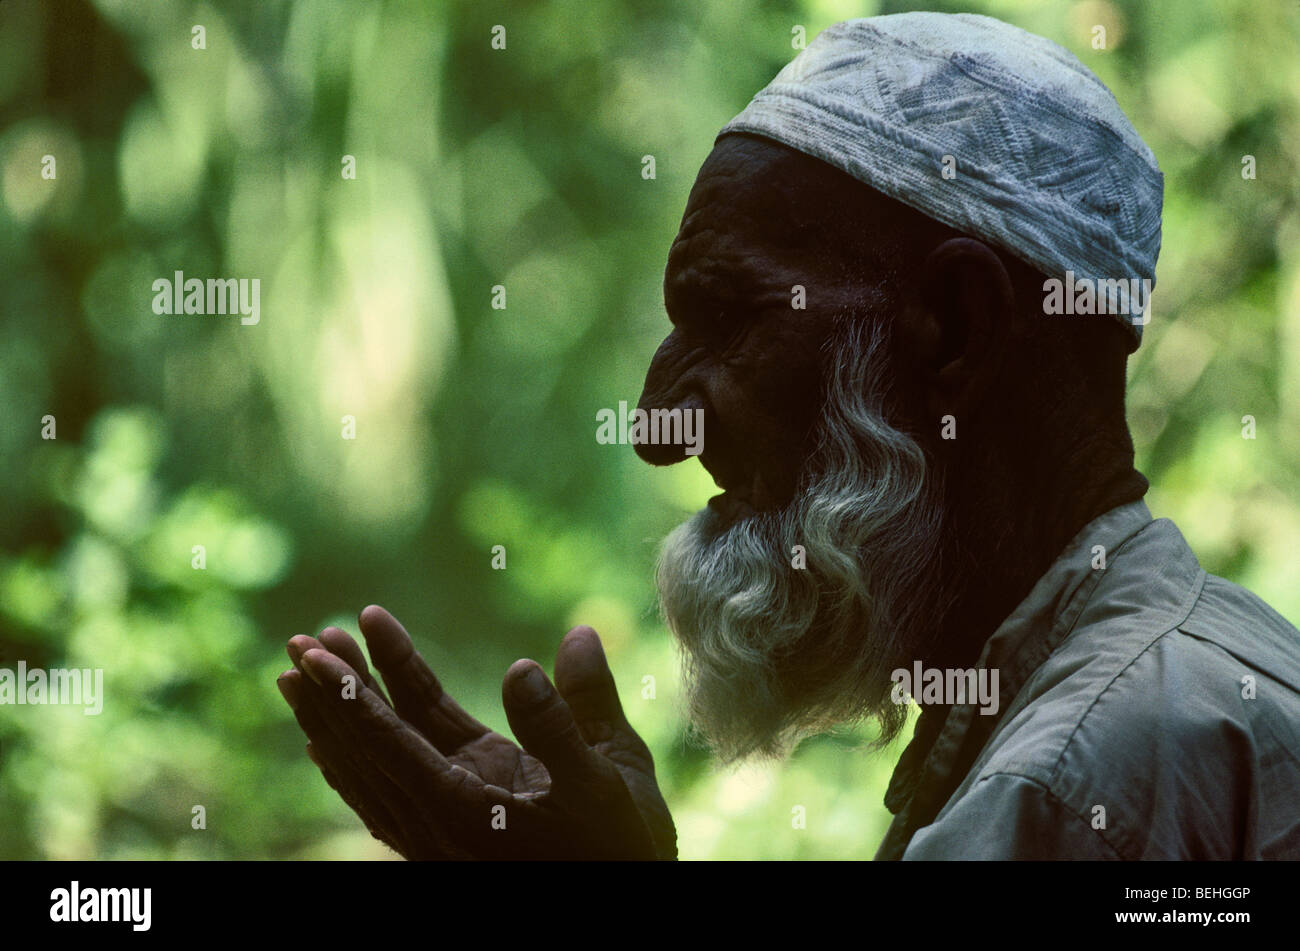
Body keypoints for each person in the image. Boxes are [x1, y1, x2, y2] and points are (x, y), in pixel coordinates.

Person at [276, 13, 1300, 860]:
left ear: (956, 328)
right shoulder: (1178, 681)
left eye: (730, 321)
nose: (653, 427)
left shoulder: (1081, 780)